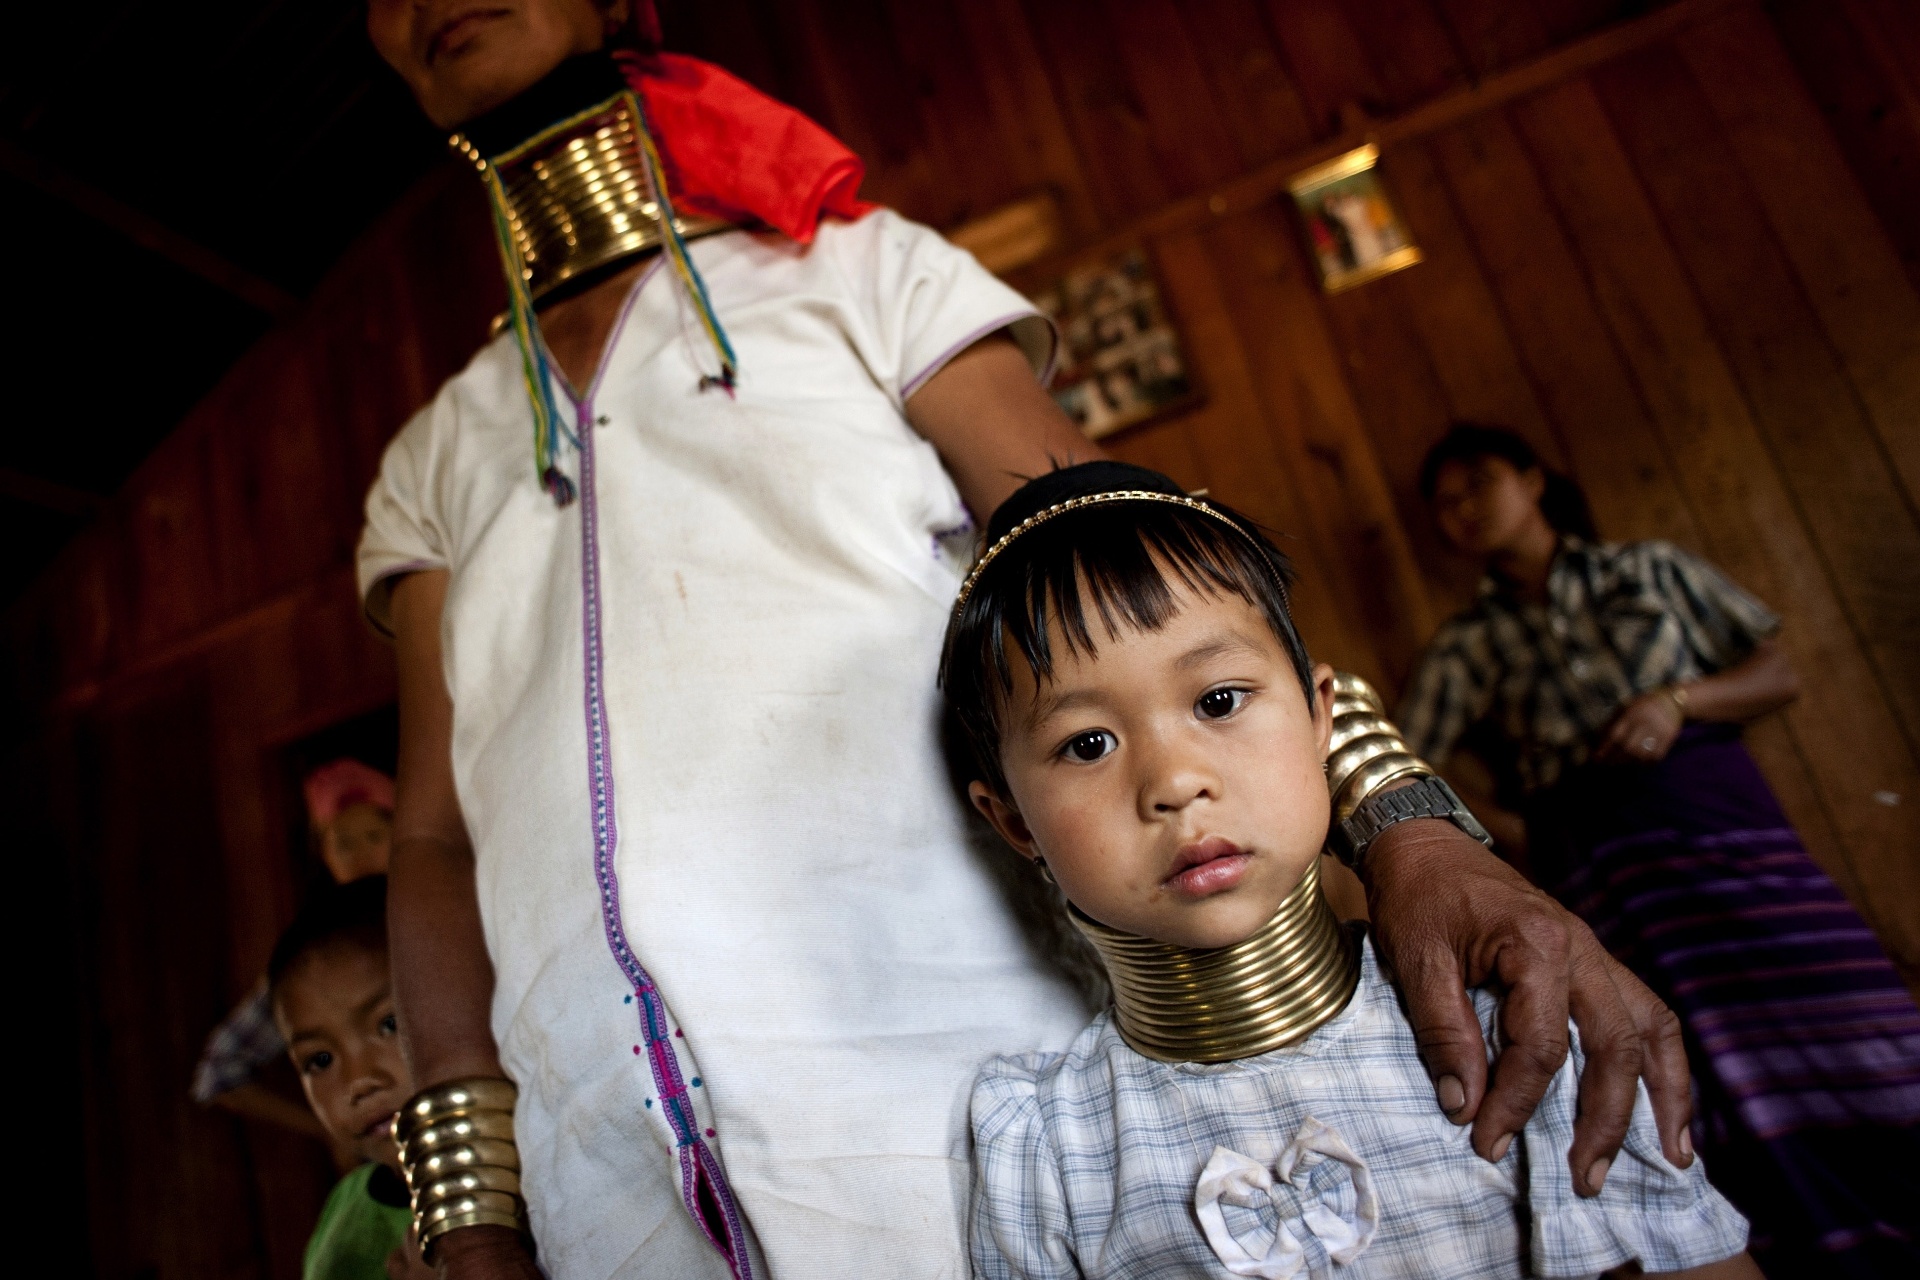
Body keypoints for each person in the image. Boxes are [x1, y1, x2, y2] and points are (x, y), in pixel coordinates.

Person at [356, 5, 1695, 1276]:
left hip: (979, 1108)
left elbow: (1155, 590)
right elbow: (434, 840)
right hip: (607, 1191)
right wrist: (475, 1213)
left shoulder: (857, 275)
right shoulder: (435, 458)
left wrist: (1412, 829)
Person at [943, 461, 1756, 1280]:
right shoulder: (1048, 1149)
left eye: (1220, 701)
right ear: (1014, 822)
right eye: (1088, 744)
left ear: (1322, 717)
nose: (1174, 783)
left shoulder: (1511, 1016)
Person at [1400, 424, 1920, 1276]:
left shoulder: (1645, 570)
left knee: (1835, 1013)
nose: (1463, 511)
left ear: (1534, 479)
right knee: (1679, 1045)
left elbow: (1775, 670)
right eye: (1446, 505)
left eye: (1479, 483)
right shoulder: (1465, 645)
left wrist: (1677, 701)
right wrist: (1512, 828)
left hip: (1720, 821)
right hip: (1598, 863)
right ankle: (1785, 1248)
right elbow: (1408, 755)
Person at [192, 759, 397, 1150]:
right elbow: (218, 1072)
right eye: (343, 843)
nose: (361, 856)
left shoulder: (456, 918)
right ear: (324, 855)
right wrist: (333, 1134)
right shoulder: (311, 967)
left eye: (375, 835)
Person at [268, 876, 432, 1280]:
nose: (360, 1081)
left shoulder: (542, 1182)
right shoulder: (344, 1219)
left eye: (390, 1024)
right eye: (320, 1059)